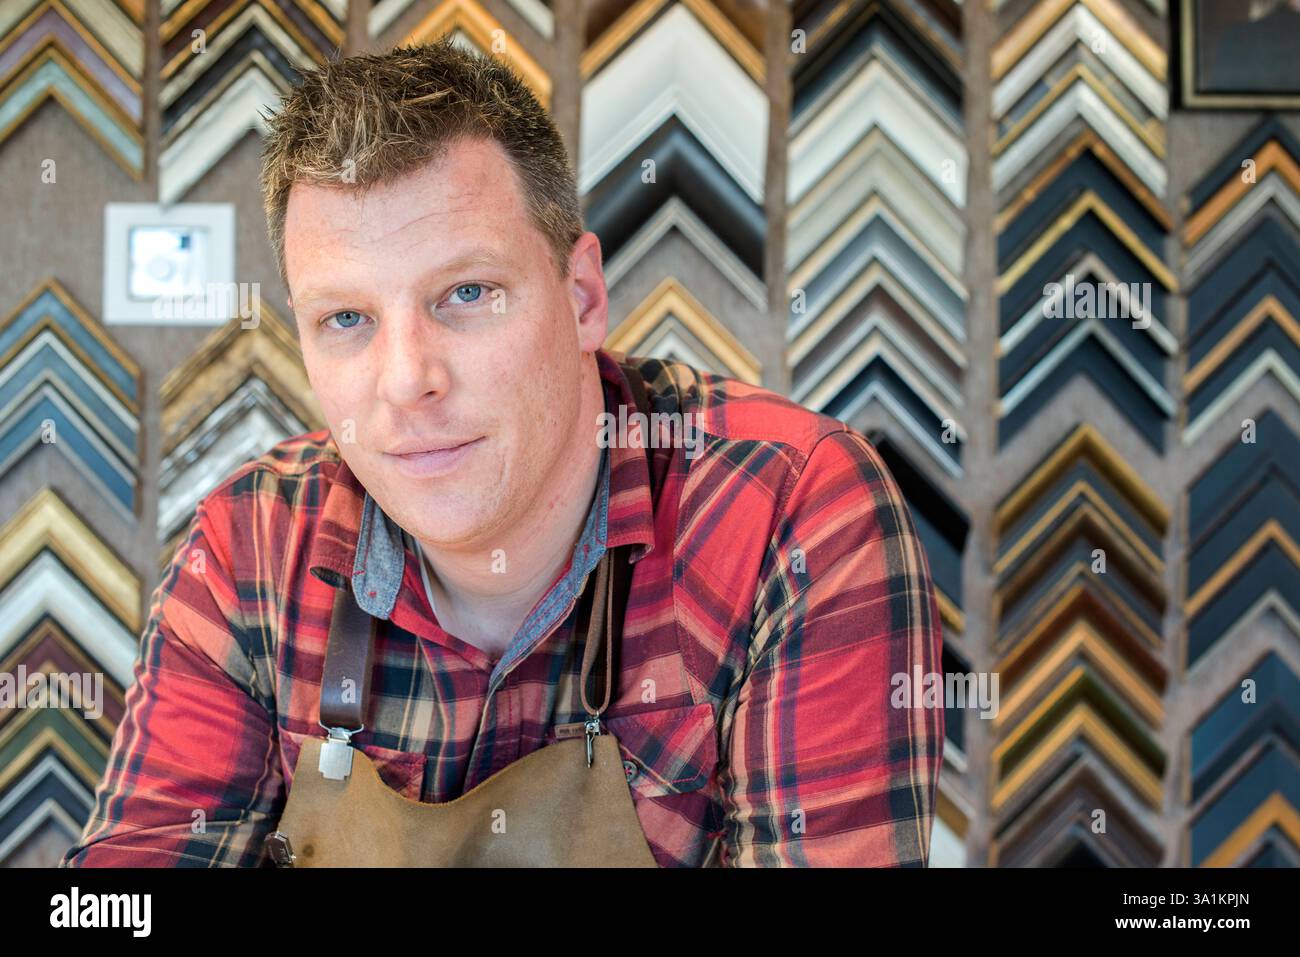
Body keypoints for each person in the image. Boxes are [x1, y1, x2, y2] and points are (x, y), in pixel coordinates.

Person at [61, 37, 943, 868]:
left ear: (583, 295)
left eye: (467, 293)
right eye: (346, 320)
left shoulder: (791, 514)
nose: (407, 380)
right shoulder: (249, 548)